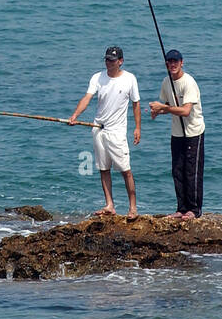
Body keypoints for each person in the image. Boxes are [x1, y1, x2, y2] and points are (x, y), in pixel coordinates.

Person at [69, 46, 141, 217]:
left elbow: (136, 104)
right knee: (103, 168)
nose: (109, 63)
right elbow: (87, 98)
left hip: (117, 132)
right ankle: (110, 205)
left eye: (112, 60)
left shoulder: (130, 79)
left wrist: (137, 127)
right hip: (98, 128)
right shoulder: (97, 77)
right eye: (107, 59)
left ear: (120, 61)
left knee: (126, 170)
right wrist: (75, 115)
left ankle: (133, 208)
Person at [148, 49, 204, 218]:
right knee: (177, 170)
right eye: (169, 62)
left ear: (182, 63)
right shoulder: (166, 82)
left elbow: (186, 111)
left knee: (191, 171)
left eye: (175, 61)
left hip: (193, 132)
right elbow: (167, 105)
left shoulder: (188, 82)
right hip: (177, 133)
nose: (172, 64)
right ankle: (181, 208)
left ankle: (194, 210)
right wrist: (158, 111)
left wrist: (163, 108)